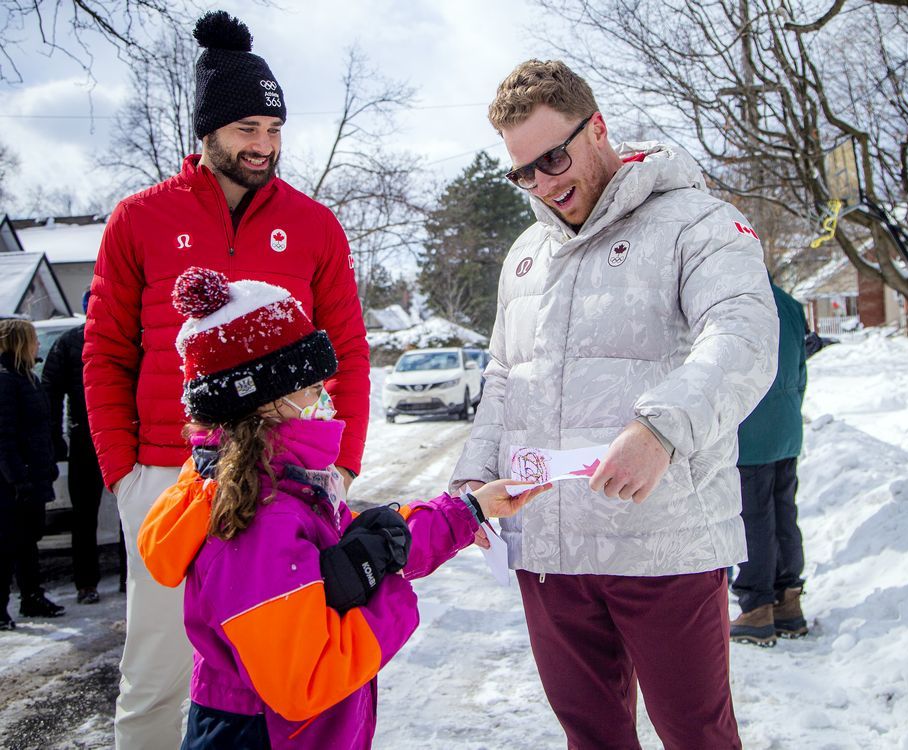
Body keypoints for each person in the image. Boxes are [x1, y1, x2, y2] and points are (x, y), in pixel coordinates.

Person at [450, 60, 778, 750]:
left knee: (696, 734)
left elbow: (744, 337)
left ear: (596, 128)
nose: (543, 183)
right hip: (551, 547)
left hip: (664, 544)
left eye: (554, 158)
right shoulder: (526, 253)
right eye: (523, 173)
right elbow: (505, 374)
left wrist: (660, 428)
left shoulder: (700, 223)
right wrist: (472, 476)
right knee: (590, 736)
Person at [81, 12, 371, 748]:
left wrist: (340, 465)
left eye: (274, 130)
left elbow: (351, 353)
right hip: (167, 479)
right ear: (208, 130)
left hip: (283, 480)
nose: (263, 147)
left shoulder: (315, 226)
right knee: (156, 675)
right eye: (247, 129)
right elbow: (105, 352)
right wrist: (123, 473)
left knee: (281, 670)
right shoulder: (138, 220)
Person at [136, 268, 549, 749]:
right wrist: (388, 593)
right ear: (266, 401)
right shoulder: (257, 521)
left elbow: (357, 549)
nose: (325, 400)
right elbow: (307, 679)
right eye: (311, 388)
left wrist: (468, 510)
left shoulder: (277, 484)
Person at [730, 280, 809, 647]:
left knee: (754, 519)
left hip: (753, 431)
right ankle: (788, 599)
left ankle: (757, 605)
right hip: (787, 425)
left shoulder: (741, 301)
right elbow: (801, 369)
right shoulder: (791, 305)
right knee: (784, 512)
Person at [0, 318, 65, 629]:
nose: (38, 344)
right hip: (13, 481)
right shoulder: (5, 380)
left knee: (28, 540)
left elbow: (39, 427)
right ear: (19, 343)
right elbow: (4, 435)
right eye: (33, 339)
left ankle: (31, 597)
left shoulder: (28, 377)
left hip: (32, 475)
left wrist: (48, 462)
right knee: (7, 543)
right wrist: (18, 477)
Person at [42, 290, 105, 604]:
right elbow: (50, 393)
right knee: (85, 515)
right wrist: (55, 438)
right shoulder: (69, 342)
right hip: (86, 437)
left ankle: (117, 581)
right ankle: (86, 583)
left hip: (115, 434)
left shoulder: (129, 337)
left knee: (127, 513)